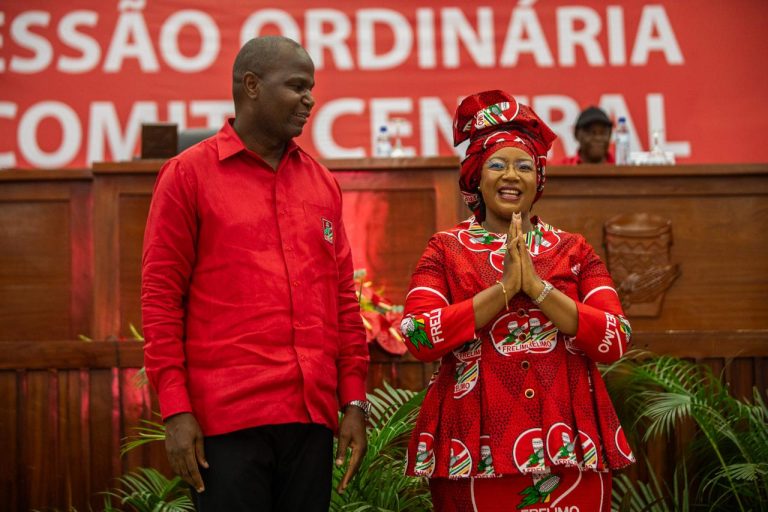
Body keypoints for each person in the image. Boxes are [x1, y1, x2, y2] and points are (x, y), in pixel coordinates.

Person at [141, 36, 370, 511]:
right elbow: (161, 300)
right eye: (296, 86)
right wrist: (176, 410)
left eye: (312, 88)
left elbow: (343, 299)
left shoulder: (321, 182)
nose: (309, 99)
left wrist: (353, 401)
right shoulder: (188, 175)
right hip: (225, 422)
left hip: (310, 418)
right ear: (251, 85)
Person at [400, 90, 634, 511]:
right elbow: (418, 335)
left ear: (538, 179)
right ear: (476, 176)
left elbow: (616, 338)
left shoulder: (573, 249)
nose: (512, 176)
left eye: (524, 166)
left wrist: (539, 291)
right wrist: (505, 289)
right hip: (473, 443)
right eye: (497, 165)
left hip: (571, 441)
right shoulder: (445, 249)